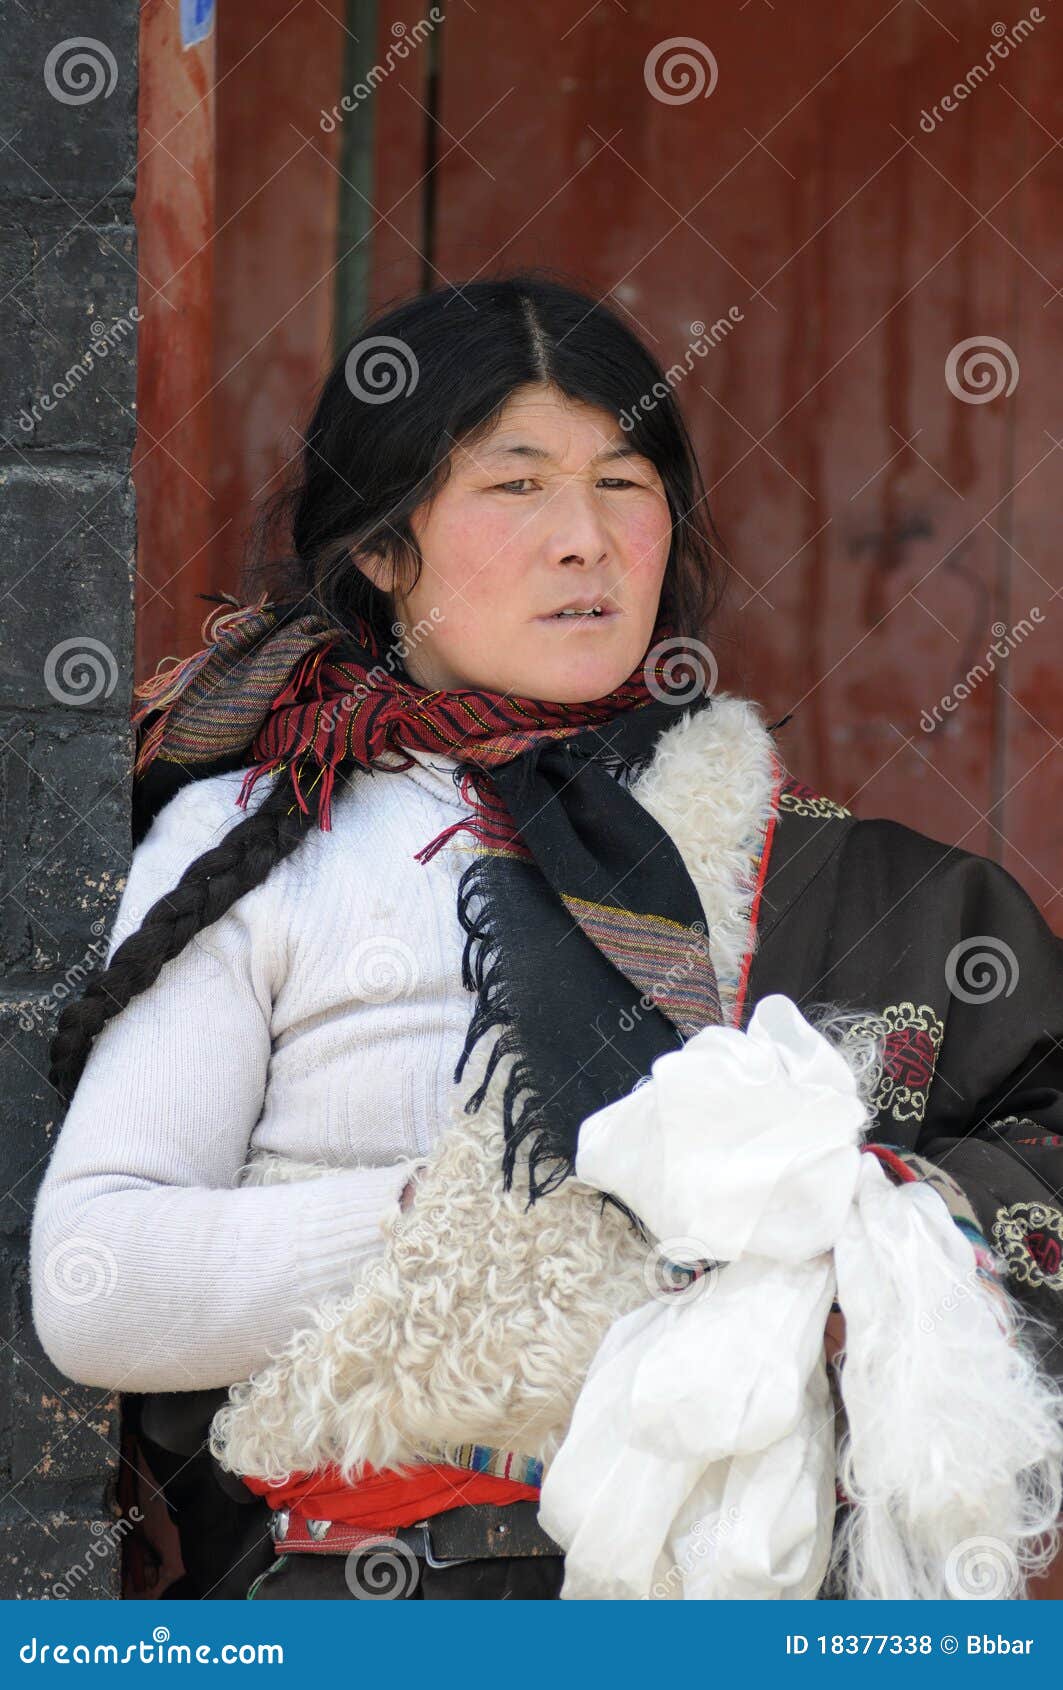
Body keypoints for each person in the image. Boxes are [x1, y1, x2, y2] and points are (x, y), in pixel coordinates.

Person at [29, 272, 1063, 1602]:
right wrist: (513, 1218)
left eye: (623, 483)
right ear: (383, 547)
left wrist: (865, 1235)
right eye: (515, 486)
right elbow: (100, 1283)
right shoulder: (264, 844)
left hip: (730, 1599)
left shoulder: (799, 866)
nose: (584, 538)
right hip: (377, 1599)